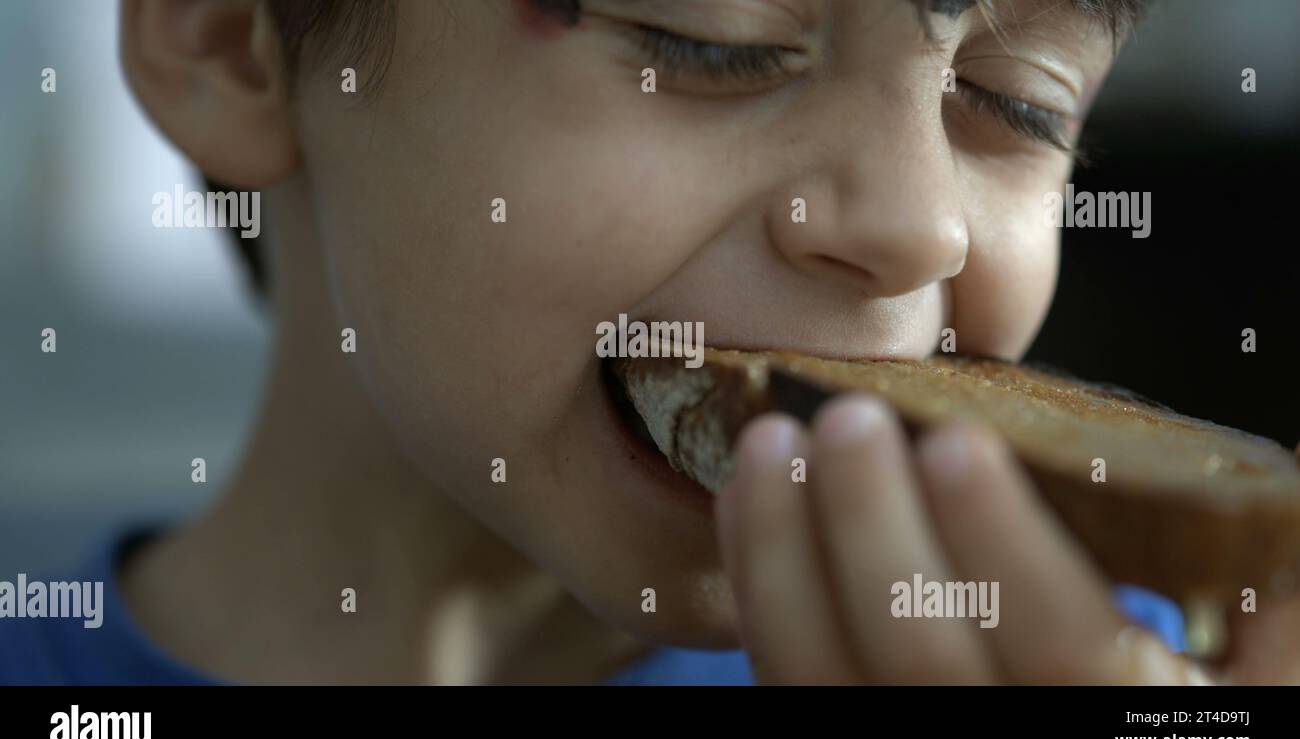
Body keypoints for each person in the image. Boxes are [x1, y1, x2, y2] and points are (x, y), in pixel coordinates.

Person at [5, 0, 1297, 684]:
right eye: (711, 41)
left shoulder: (1124, 663)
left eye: (1019, 102)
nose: (917, 228)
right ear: (231, 42)